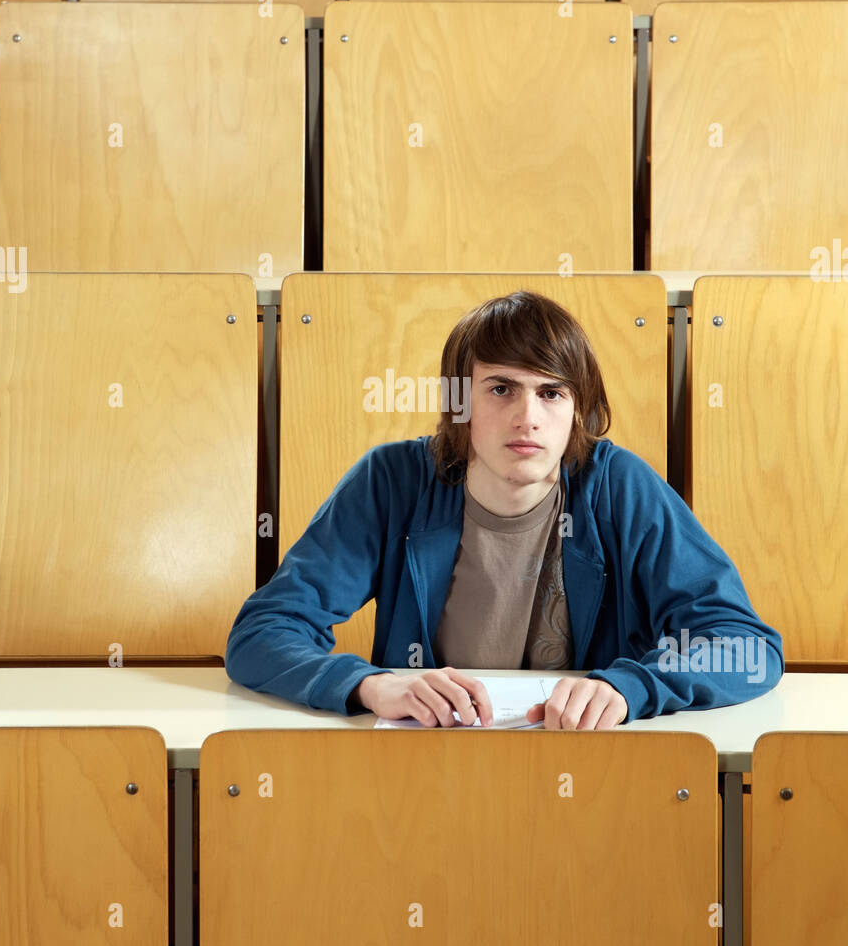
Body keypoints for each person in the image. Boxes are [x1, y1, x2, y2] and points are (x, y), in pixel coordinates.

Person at [226, 290, 783, 729]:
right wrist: (370, 685)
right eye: (500, 389)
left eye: (551, 393)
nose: (528, 417)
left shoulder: (620, 486)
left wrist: (627, 687)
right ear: (458, 403)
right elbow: (262, 633)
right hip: (429, 760)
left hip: (585, 765)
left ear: (576, 409)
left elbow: (747, 649)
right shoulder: (393, 481)